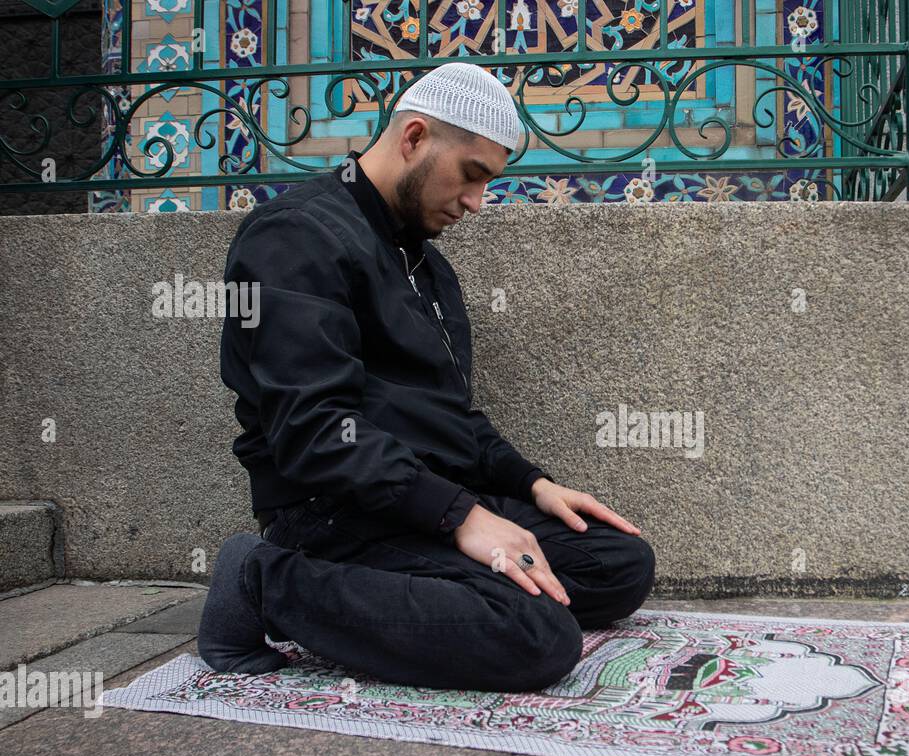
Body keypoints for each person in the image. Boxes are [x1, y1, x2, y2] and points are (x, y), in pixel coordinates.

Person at [196, 63, 655, 692]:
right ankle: (262, 580)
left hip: (422, 501)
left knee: (617, 562)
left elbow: (450, 415)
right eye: (472, 176)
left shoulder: (426, 265)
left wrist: (532, 483)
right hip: (333, 513)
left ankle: (440, 583)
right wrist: (463, 518)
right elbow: (315, 431)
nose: (476, 203)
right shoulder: (294, 237)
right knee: (537, 636)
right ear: (414, 137)